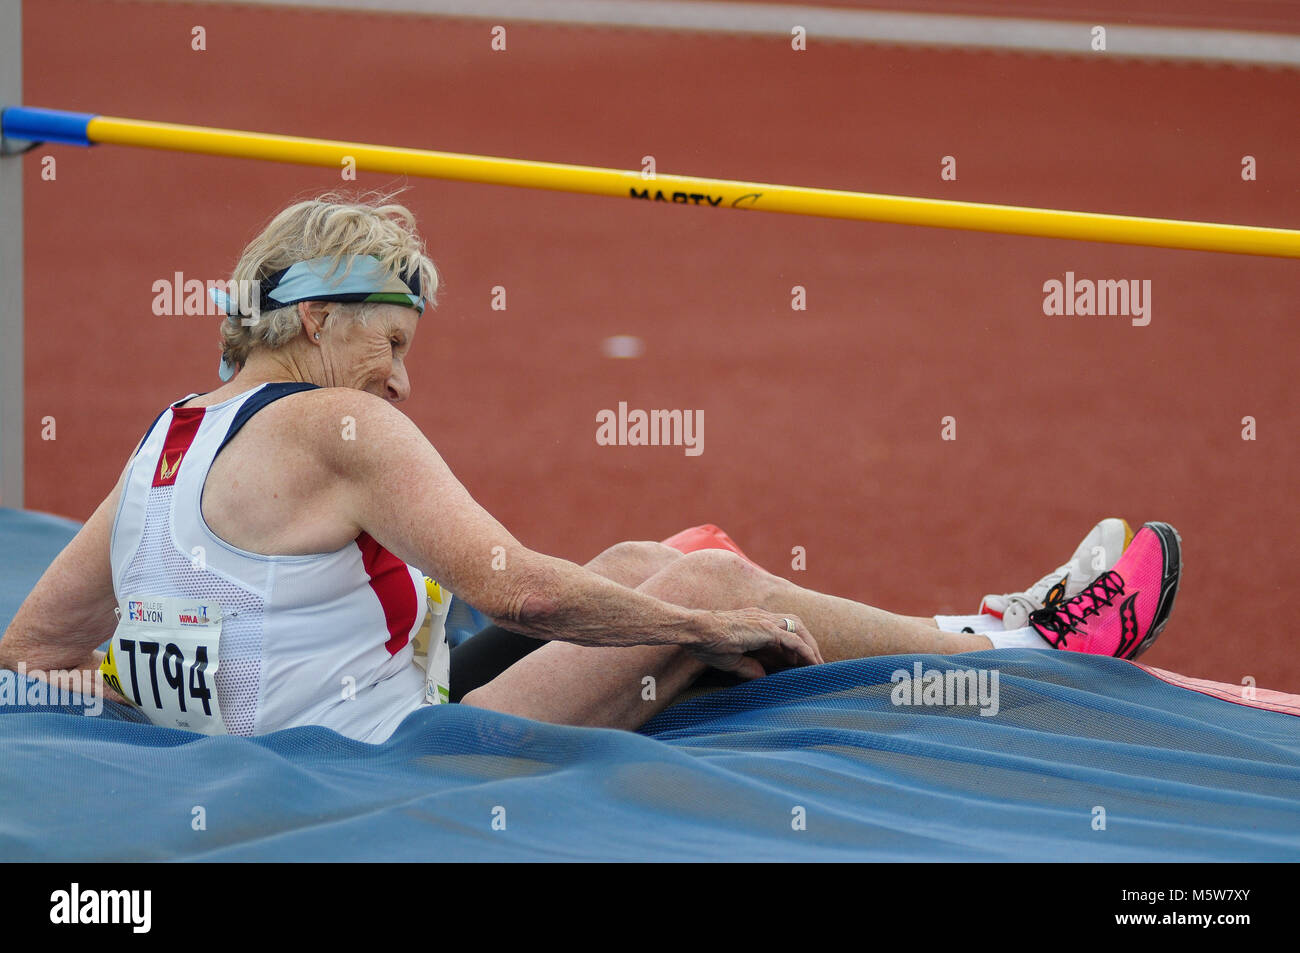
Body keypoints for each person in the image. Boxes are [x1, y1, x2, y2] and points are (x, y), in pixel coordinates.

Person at [0, 194, 1182, 743]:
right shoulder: (334, 426)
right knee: (707, 586)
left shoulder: (163, 437)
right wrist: (712, 624)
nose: (404, 382)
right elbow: (514, 590)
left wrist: (175, 720)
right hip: (391, 764)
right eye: (393, 345)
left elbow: (32, 652)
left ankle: (951, 631)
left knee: (638, 561)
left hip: (312, 740)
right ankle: (1020, 648)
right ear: (316, 323)